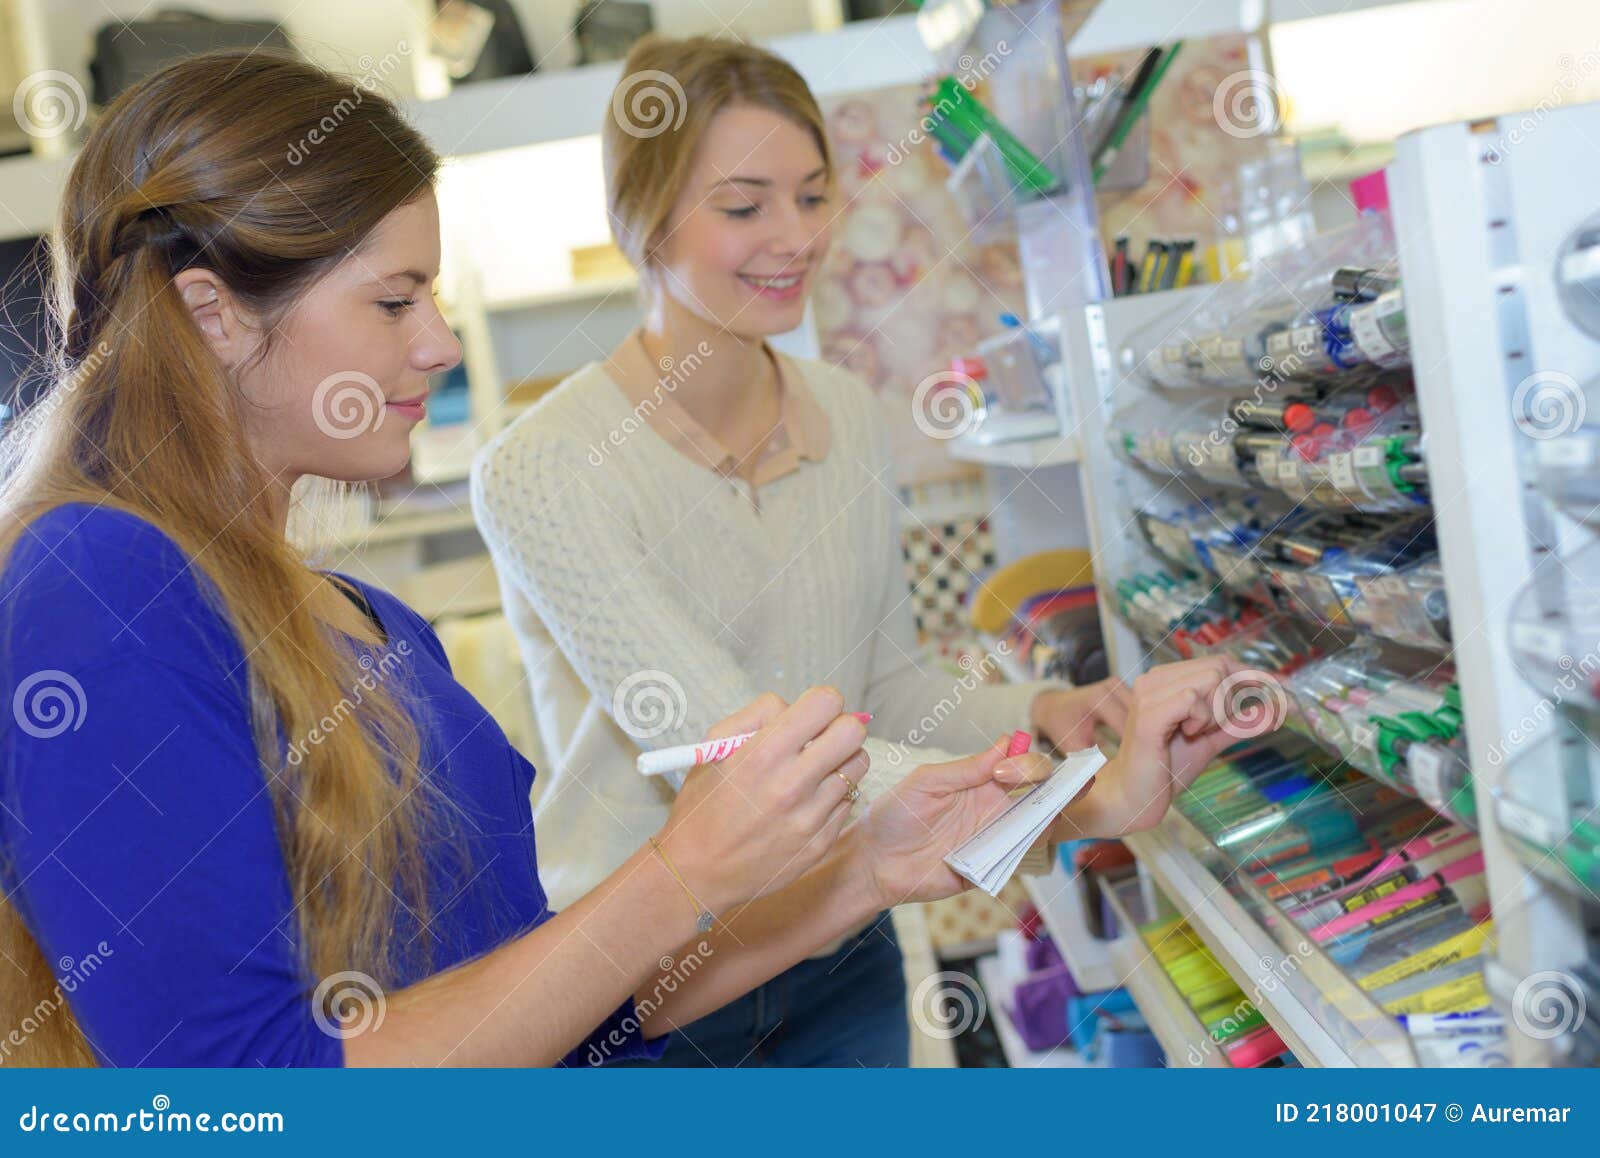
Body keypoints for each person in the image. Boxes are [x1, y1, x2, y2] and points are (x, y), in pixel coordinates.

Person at [0, 50, 1244, 1069]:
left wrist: (876, 860)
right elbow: (240, 1099)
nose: (436, 344)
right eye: (394, 302)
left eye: (812, 196)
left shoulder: (360, 620)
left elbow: (559, 1012)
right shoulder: (96, 590)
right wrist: (687, 868)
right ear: (217, 315)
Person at [470, 34, 1132, 1068]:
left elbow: (890, 690)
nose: (794, 237)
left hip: (841, 944)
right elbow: (743, 754)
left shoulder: (848, 412)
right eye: (743, 206)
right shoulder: (543, 468)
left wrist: (1043, 722)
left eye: (812, 196)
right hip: (645, 985)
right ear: (636, 218)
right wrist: (1065, 796)